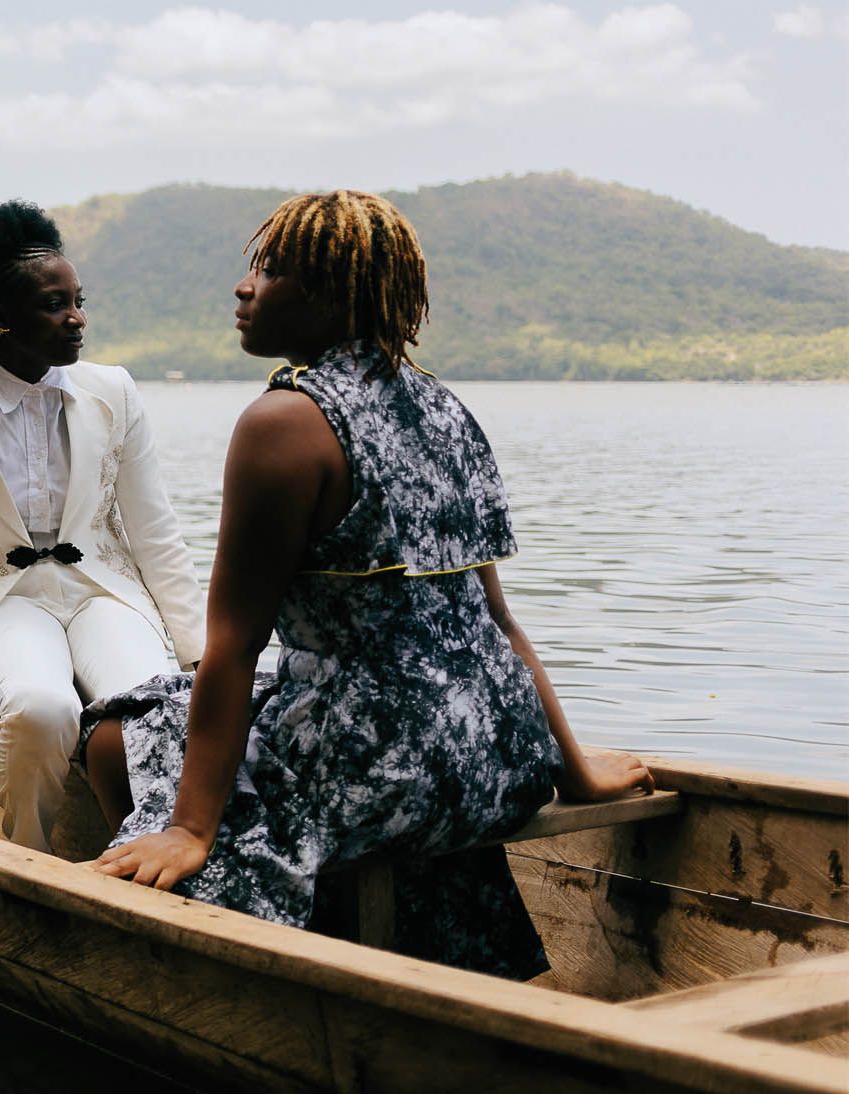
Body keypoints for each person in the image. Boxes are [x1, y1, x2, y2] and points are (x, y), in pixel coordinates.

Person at [82, 190, 653, 978]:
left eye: (273, 271)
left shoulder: (283, 421)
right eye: (253, 267)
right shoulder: (445, 409)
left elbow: (234, 645)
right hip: (500, 756)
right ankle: (363, 940)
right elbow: (497, 621)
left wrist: (190, 828)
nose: (245, 286)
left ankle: (187, 961)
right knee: (217, 713)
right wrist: (575, 771)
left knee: (118, 732)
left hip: (381, 765)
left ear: (334, 295)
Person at [0, 200, 208, 854]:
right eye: (54, 304)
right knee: (42, 707)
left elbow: (157, 533)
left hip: (106, 594)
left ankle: (151, 857)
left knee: (146, 703)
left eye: (78, 299)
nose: (77, 317)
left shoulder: (114, 393)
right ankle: (28, 860)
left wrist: (199, 651)